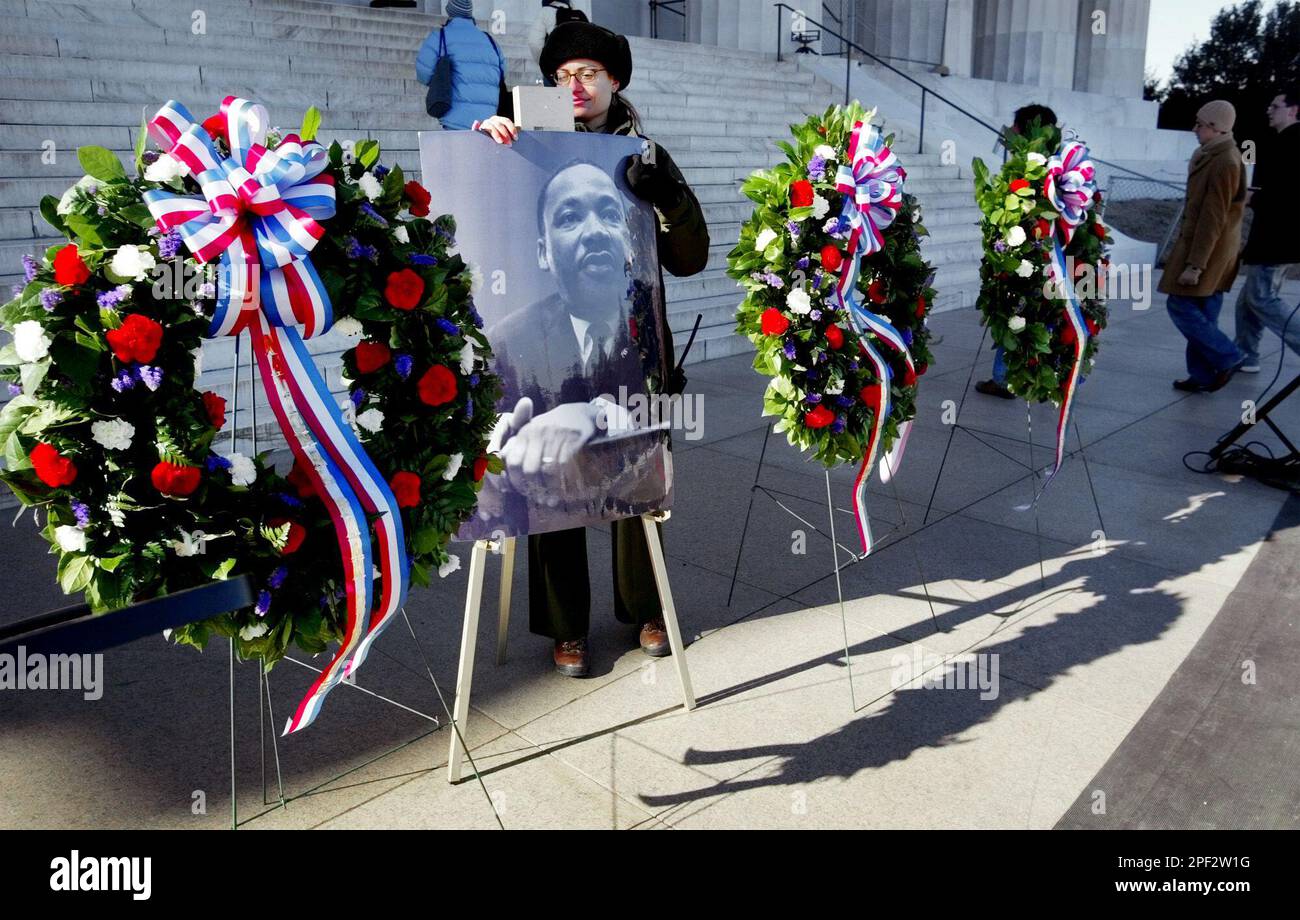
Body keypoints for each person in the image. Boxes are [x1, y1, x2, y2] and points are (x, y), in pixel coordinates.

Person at [475, 21, 709, 677]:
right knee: (554, 487)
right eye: (562, 75)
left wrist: (669, 202)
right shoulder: (529, 145)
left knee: (639, 482)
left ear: (614, 81)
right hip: (556, 352)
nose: (574, 86)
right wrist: (490, 144)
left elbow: (691, 258)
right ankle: (564, 625)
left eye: (588, 73)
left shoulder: (646, 151)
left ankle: (647, 607)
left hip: (634, 342)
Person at [1159, 99, 1248, 392]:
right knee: (1203, 310)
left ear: (1216, 128)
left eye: (1200, 124)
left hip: (1208, 251)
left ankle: (1228, 356)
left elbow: (1214, 218)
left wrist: (1195, 265)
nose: (1194, 128)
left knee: (1180, 305)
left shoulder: (1225, 161)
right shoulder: (1213, 155)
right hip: (1213, 250)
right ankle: (1203, 375)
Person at [975, 103, 1059, 400]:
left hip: (1026, 254)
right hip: (1051, 258)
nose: (1008, 131)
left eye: (1014, 126)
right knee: (1039, 315)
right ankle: (1044, 373)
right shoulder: (1058, 166)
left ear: (1025, 129)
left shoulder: (1026, 168)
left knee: (1013, 312)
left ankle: (1003, 379)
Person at [1234, 87, 1300, 373]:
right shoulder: (1284, 141)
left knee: (1261, 298)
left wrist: (1254, 197)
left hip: (1277, 239)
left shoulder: (1293, 142)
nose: (1269, 110)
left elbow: (1288, 193)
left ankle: (1245, 354)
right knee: (1248, 301)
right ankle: (1246, 355)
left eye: (1275, 106)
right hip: (1276, 238)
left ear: (1293, 110)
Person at [415, 0, 508, 131]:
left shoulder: (440, 37)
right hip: (488, 124)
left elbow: (423, 73)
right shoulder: (490, 41)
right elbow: (503, 73)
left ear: (450, 11)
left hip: (454, 122)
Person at [528, 1, 589, 84]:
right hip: (582, 67)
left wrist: (544, 64)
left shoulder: (545, 12)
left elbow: (534, 43)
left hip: (557, 68)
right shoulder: (579, 14)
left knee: (555, 95)